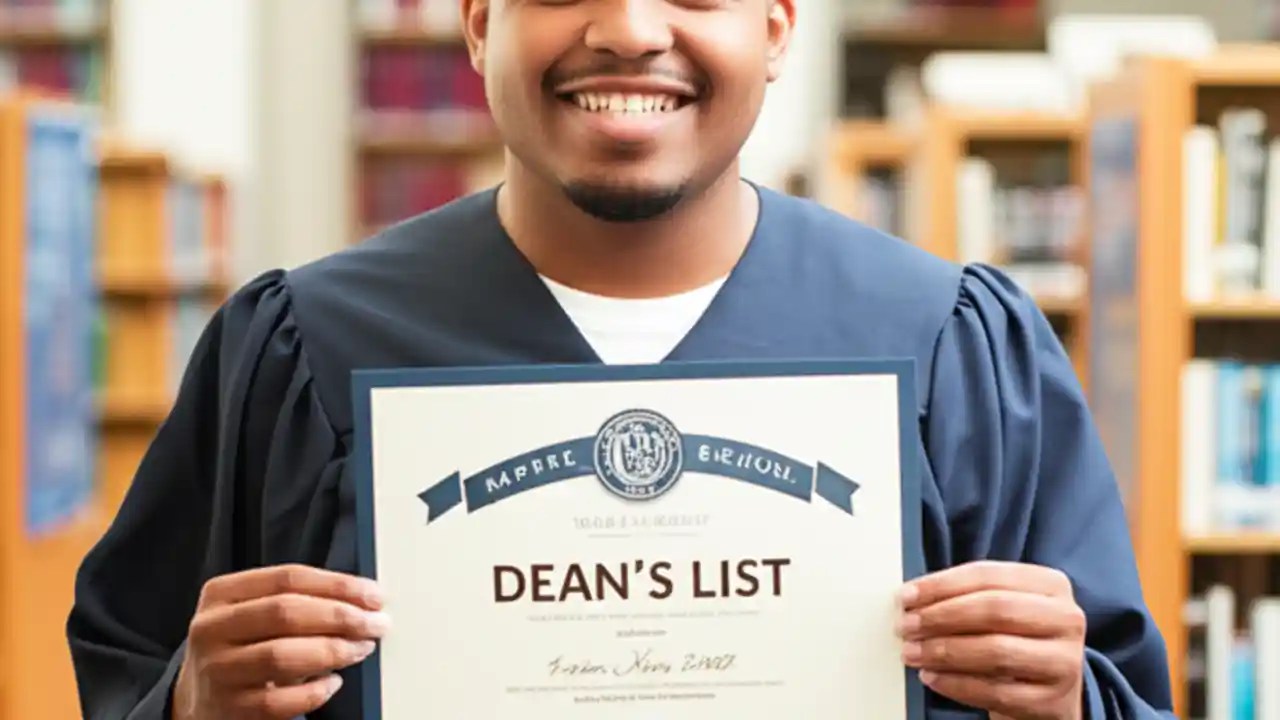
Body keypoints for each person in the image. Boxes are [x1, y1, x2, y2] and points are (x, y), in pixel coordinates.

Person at [66, 0, 1176, 718]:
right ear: (474, 24)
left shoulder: (951, 348)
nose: (630, 30)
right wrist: (187, 705)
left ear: (779, 28)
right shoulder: (300, 351)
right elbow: (129, 671)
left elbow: (1125, 696)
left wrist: (1068, 699)